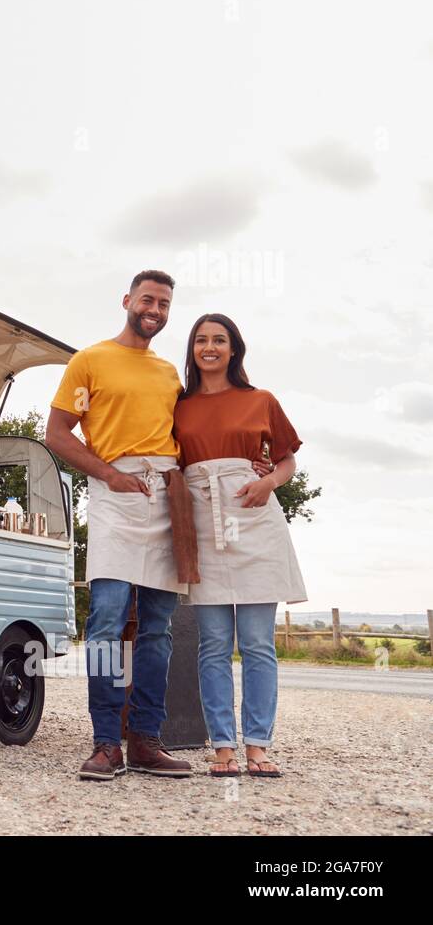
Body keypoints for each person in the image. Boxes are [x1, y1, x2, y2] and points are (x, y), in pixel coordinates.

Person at [46, 269, 197, 781]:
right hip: (115, 491)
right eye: (148, 300)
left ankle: (146, 742)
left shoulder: (169, 373)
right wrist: (109, 474)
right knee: (107, 621)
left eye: (165, 304)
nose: (155, 310)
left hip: (165, 495)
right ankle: (106, 743)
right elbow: (57, 433)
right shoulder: (89, 360)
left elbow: (188, 437)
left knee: (158, 628)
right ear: (127, 300)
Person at [173, 314, 307, 778]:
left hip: (254, 521)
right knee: (212, 645)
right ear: (193, 349)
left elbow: (287, 460)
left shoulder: (261, 400)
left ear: (234, 349)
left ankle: (258, 747)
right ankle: (223, 749)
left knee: (256, 643)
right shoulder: (179, 405)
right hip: (202, 525)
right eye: (201, 340)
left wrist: (268, 482)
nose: (210, 347)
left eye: (219, 340)